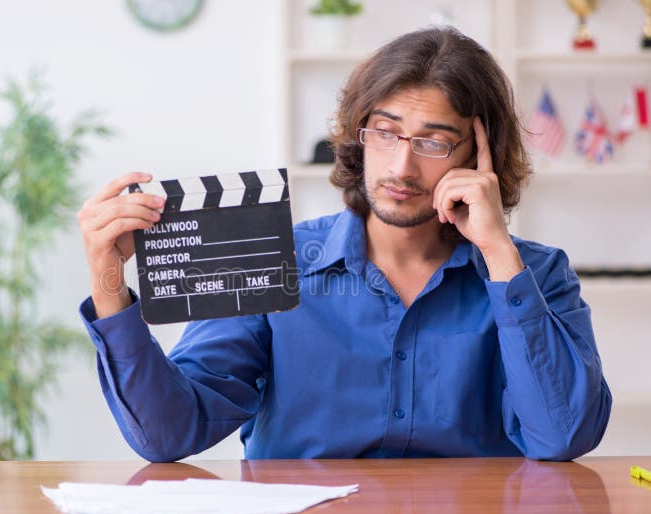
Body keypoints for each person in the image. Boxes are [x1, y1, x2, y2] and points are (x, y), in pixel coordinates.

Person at [76, 27, 611, 462]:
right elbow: (171, 434)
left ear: (479, 154)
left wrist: (498, 255)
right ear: (360, 132)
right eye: (385, 131)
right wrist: (107, 284)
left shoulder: (535, 275)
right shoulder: (269, 257)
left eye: (433, 141)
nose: (402, 166)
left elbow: (563, 435)